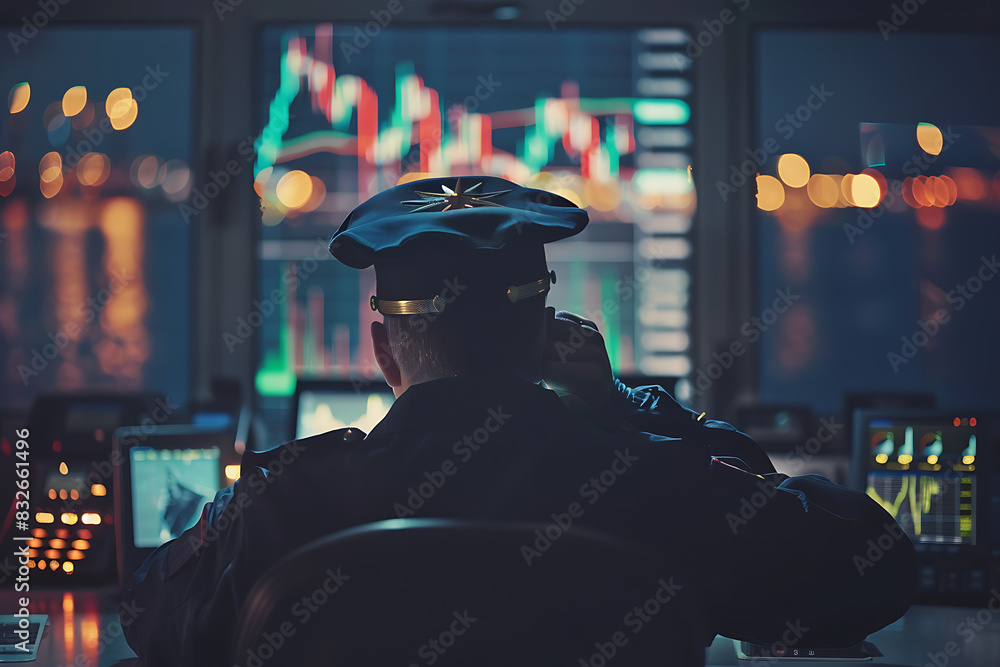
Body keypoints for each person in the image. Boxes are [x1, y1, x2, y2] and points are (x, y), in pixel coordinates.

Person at [122, 176, 916, 665]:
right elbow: (876, 561)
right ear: (546, 338)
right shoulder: (652, 488)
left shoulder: (285, 507)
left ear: (380, 350)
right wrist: (622, 411)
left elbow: (149, 613)